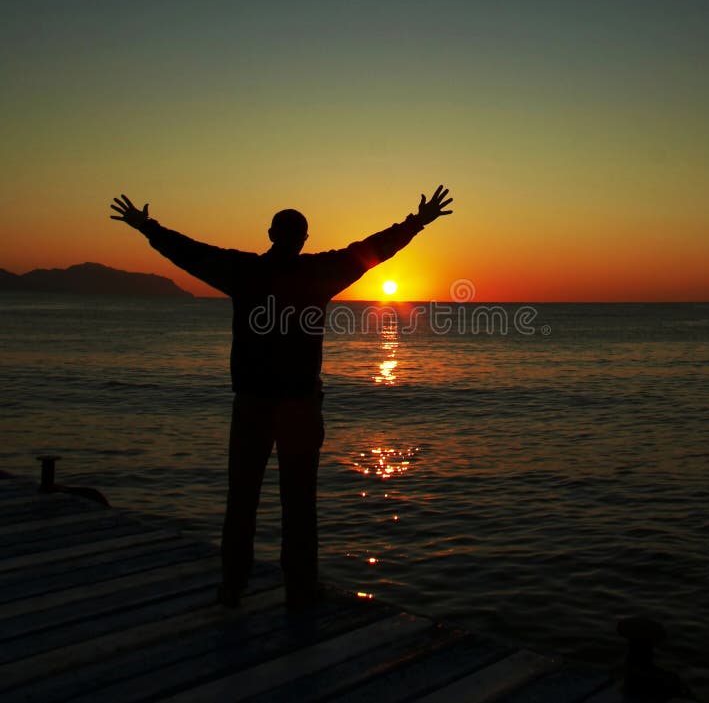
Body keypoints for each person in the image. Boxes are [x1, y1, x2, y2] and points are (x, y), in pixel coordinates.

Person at [109, 186, 453, 610]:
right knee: (299, 501)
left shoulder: (244, 271)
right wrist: (417, 222)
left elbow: (191, 253)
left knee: (243, 500)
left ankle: (233, 586)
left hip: (253, 403)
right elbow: (373, 250)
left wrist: (148, 227)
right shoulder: (320, 272)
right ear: (304, 238)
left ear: (270, 233)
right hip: (298, 405)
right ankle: (300, 590)